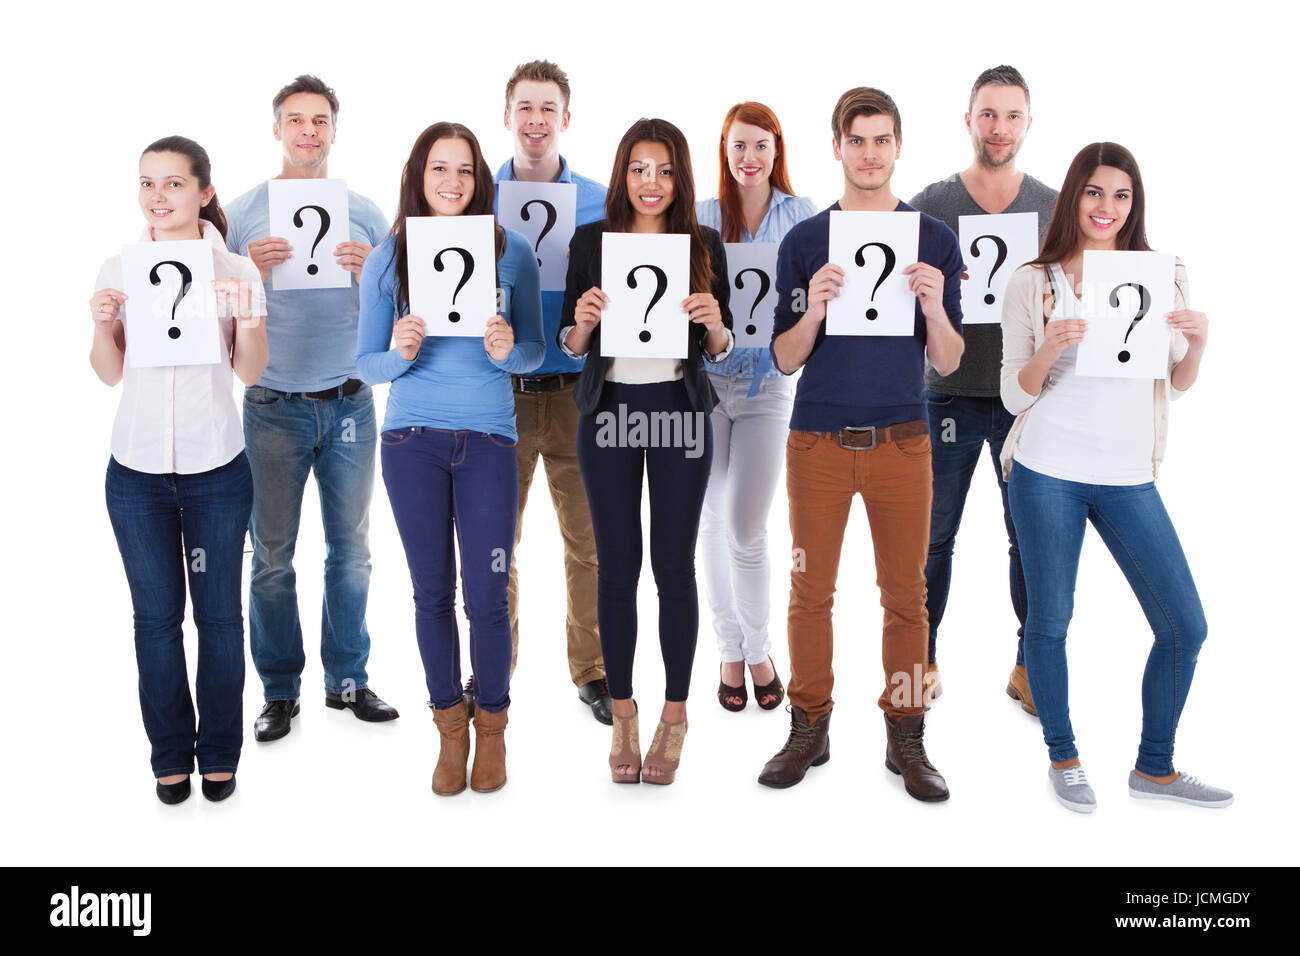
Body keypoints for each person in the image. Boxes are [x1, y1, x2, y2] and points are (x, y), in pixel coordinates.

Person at [1000, 142, 1231, 812]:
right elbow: (1015, 396)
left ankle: (1154, 768)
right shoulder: (1034, 280)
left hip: (1129, 474)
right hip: (1048, 469)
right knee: (1050, 620)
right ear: (1073, 196)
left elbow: (1177, 384)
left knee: (1186, 626)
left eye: (1121, 195)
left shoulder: (1165, 273)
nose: (1106, 207)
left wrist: (1199, 342)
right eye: (1094, 192)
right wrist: (1050, 345)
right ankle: (1064, 757)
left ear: (1135, 204)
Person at [758, 88, 963, 801]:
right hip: (816, 440)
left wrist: (935, 305)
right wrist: (812, 307)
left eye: (882, 141)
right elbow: (783, 359)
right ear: (837, 147)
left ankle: (906, 731)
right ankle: (809, 723)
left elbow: (948, 361)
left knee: (908, 596)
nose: (869, 154)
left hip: (902, 442)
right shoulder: (806, 240)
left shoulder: (932, 239)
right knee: (810, 590)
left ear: (897, 147)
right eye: (857, 140)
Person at [357, 122, 544, 795]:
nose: (452, 183)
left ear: (480, 181)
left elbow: (535, 354)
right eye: (440, 169)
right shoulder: (389, 257)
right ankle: (449, 728)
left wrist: (507, 347)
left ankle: (492, 728)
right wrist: (400, 351)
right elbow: (365, 364)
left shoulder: (510, 250)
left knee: (488, 595)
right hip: (412, 445)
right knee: (432, 592)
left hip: (489, 442)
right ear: (419, 175)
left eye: (464, 171)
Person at [91, 136, 268, 804]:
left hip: (216, 469)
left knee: (219, 618)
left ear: (204, 192)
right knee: (156, 620)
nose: (157, 197)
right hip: (135, 472)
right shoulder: (118, 266)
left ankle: (219, 754)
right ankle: (169, 755)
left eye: (171, 184)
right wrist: (103, 327)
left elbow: (249, 371)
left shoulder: (237, 271)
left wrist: (247, 319)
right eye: (146, 183)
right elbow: (108, 374)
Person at [559, 118, 733, 784]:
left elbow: (721, 347)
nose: (650, 182)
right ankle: (624, 713)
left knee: (673, 566)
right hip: (609, 412)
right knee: (616, 566)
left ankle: (676, 714)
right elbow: (570, 346)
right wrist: (582, 324)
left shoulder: (703, 243)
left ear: (680, 177)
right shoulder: (592, 241)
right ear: (622, 175)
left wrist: (715, 325)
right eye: (638, 168)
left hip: (679, 412)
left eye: (663, 170)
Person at [224, 75, 397, 743]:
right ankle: (278, 691)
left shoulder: (365, 212)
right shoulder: (241, 215)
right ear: (276, 130)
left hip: (350, 401)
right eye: (295, 120)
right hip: (271, 405)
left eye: (319, 120)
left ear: (334, 131)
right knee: (270, 554)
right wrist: (244, 270)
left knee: (351, 550)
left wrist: (370, 276)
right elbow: (207, 311)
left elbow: (399, 312)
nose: (307, 131)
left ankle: (347, 680)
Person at [909, 66, 1058, 712]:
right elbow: (895, 308)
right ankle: (921, 655)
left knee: (1026, 534)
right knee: (933, 535)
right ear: (967, 119)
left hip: (1025, 402)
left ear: (1028, 123)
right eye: (988, 114)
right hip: (945, 394)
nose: (999, 128)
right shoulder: (930, 206)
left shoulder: (1053, 207)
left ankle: (1029, 665)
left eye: (1012, 116)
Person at [492, 60, 612, 724]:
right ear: (507, 116)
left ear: (565, 119)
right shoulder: (474, 195)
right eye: (525, 107)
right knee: (494, 538)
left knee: (587, 538)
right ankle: (495, 668)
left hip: (575, 389)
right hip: (500, 393)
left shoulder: (600, 200)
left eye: (548, 109)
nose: (536, 120)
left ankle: (591, 670)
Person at [695, 102, 817, 712]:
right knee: (710, 521)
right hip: (705, 385)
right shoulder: (702, 215)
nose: (749, 159)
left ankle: (761, 647)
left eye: (760, 146)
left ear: (777, 150)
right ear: (724, 150)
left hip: (770, 385)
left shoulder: (801, 215)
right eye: (738, 146)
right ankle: (730, 650)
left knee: (746, 527)